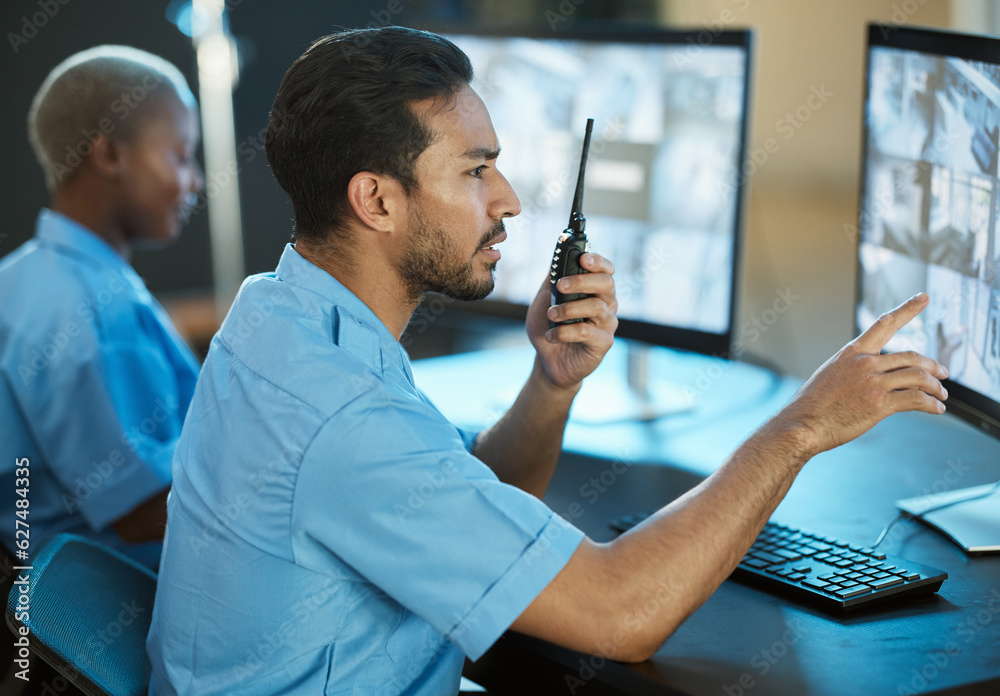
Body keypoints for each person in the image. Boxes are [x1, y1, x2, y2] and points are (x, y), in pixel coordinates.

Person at [145, 27, 948, 695]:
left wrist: (550, 383)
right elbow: (620, 617)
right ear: (377, 200)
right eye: (474, 169)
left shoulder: (279, 313)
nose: (510, 200)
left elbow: (460, 506)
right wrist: (801, 426)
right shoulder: (343, 415)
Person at [0, 45, 204, 570]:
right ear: (109, 156)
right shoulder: (89, 310)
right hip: (106, 601)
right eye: (181, 157)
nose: (195, 181)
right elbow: (140, 508)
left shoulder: (24, 278)